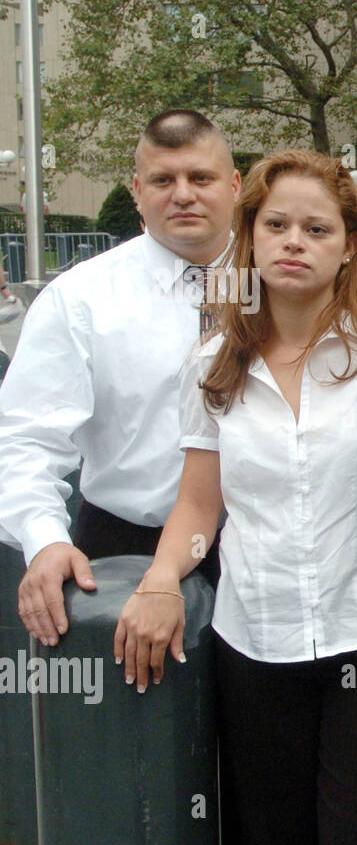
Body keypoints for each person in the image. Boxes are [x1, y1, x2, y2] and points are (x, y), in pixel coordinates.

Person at [115, 150, 357, 845]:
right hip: (254, 651)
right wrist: (159, 579)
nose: (294, 242)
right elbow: (197, 506)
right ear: (251, 238)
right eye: (276, 225)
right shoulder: (212, 364)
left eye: (316, 228)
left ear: (347, 247)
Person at [0, 110, 237, 647]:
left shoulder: (286, 284)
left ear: (234, 184)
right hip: (123, 552)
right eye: (162, 180)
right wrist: (43, 541)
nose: (183, 194)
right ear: (136, 190)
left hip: (267, 550)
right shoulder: (81, 299)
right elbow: (26, 437)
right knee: (135, 730)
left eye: (200, 178)